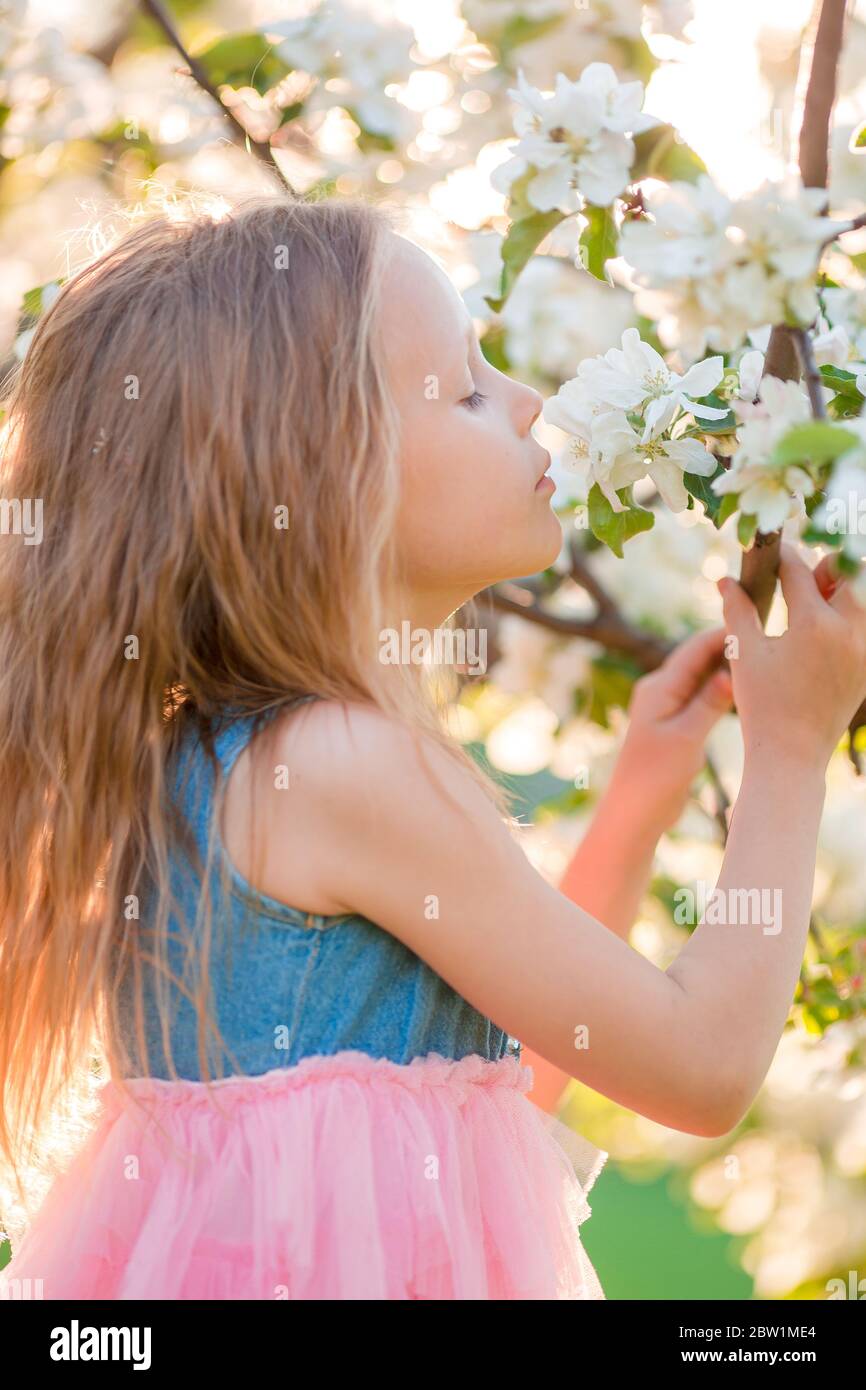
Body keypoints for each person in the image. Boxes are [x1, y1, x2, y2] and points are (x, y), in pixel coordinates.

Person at [1, 195, 864, 1300]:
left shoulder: (225, 764)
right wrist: (790, 749)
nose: (528, 401)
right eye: (462, 389)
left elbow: (512, 1073)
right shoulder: (349, 766)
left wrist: (637, 800)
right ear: (319, 485)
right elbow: (698, 1068)